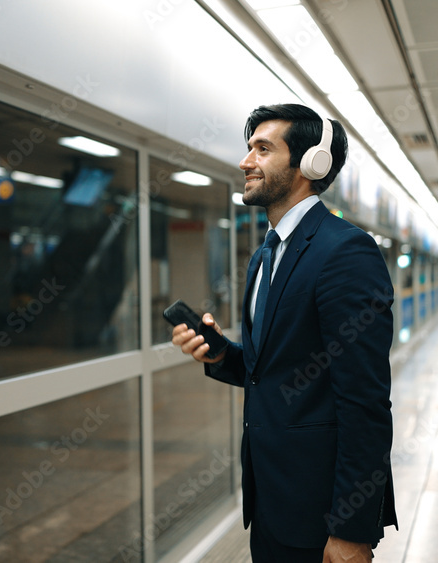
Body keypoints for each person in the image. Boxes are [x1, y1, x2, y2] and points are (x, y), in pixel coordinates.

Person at [172, 104, 396, 562]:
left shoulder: (345, 250)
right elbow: (276, 370)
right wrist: (221, 355)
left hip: (321, 511)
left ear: (310, 164)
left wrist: (351, 528)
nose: (245, 161)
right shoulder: (265, 255)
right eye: (248, 148)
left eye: (262, 149)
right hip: (269, 498)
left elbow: (365, 401)